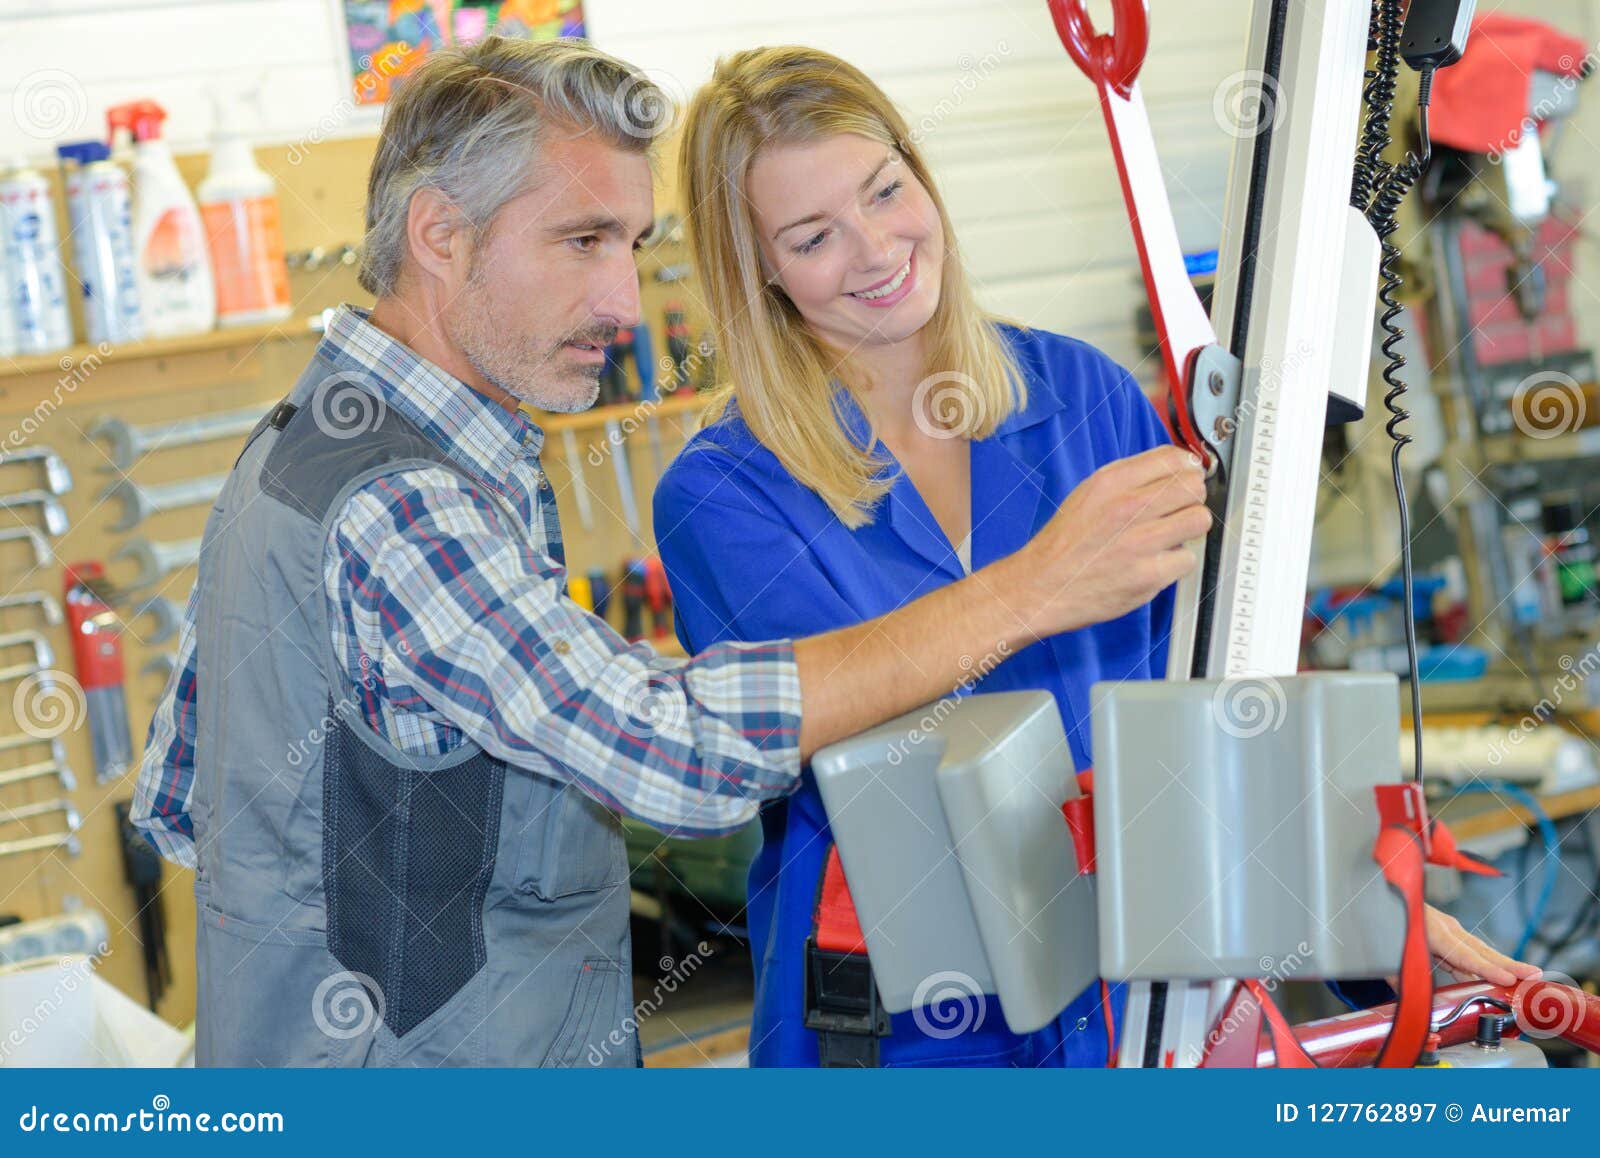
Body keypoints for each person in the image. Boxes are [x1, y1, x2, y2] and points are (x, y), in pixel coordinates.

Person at [128, 37, 1210, 1068]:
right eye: (582, 241)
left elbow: (187, 802)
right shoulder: (403, 500)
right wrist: (1032, 590)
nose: (621, 302)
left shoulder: (325, 450)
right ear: (441, 236)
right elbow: (667, 750)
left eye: (632, 247)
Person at [653, 46, 1537, 1068]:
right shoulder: (724, 494)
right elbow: (828, 721)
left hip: (1126, 1000)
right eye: (813, 237)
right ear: (756, 268)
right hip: (899, 1026)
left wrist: (1365, 914)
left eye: (885, 191)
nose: (876, 248)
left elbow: (1199, 716)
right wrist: (1043, 584)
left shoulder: (1079, 395)